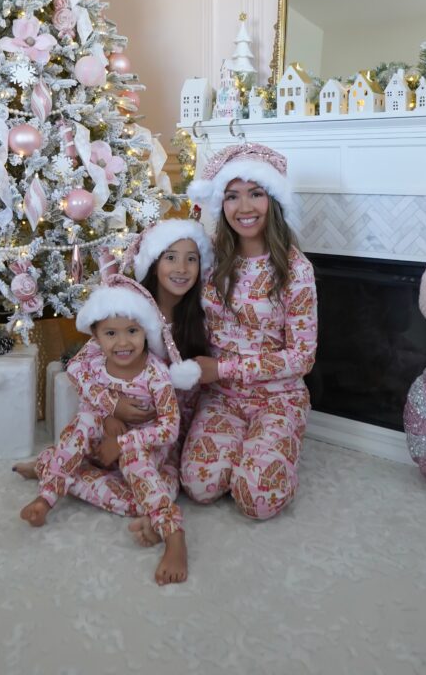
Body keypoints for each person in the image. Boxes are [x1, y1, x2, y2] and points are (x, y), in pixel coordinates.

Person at [19, 274, 187, 585]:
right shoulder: (93, 358)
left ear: (146, 332)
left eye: (132, 332)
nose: (123, 343)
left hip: (147, 448)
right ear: (96, 336)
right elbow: (75, 371)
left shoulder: (157, 375)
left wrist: (124, 442)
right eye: (111, 333)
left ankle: (174, 536)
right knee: (84, 422)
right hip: (101, 436)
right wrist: (110, 409)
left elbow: (170, 429)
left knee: (140, 500)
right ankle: (48, 493)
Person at [180, 143, 318, 519]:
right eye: (232, 196)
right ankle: (241, 447)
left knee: (257, 501)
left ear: (272, 199)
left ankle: (270, 445)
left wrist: (223, 369)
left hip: (278, 398)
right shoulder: (208, 258)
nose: (244, 208)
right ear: (220, 204)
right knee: (198, 487)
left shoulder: (296, 269)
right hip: (221, 398)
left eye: (255, 193)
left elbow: (303, 357)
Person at [118, 218, 212, 545]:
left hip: (173, 429)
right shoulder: (132, 311)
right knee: (124, 458)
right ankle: (50, 468)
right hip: (136, 418)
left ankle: (154, 517)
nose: (182, 268)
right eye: (171, 257)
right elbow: (91, 365)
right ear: (154, 263)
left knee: (168, 477)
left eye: (192, 258)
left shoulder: (200, 316)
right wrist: (114, 412)